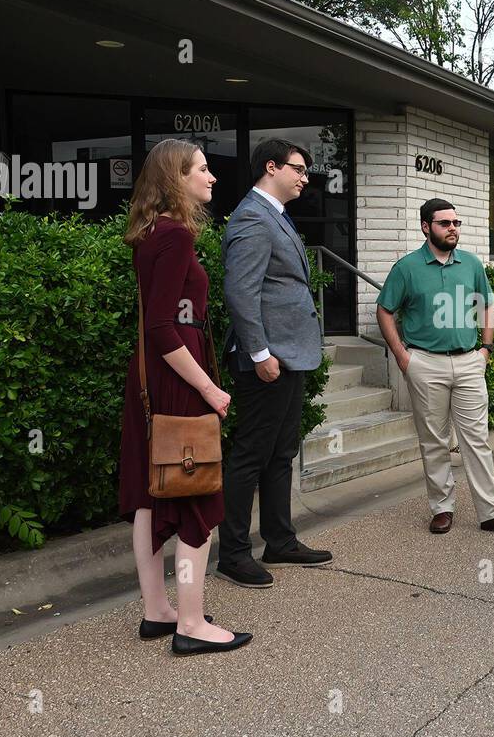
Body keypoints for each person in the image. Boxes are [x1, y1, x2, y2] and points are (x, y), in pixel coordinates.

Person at [119, 138, 251, 656]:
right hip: (176, 376)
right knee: (198, 494)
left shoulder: (152, 233)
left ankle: (158, 611)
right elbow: (161, 325)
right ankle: (191, 624)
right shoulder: (175, 235)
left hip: (153, 376)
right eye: (201, 169)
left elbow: (155, 323)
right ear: (176, 177)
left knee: (152, 494)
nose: (211, 178)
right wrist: (209, 386)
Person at [376, 198, 494, 537]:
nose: (452, 228)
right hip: (424, 363)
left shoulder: (471, 265)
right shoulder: (406, 268)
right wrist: (402, 356)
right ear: (425, 227)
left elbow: (488, 305)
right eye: (445, 223)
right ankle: (442, 508)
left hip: (468, 362)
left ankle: (492, 511)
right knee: (433, 440)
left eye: (456, 223)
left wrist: (486, 349)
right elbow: (385, 311)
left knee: (476, 439)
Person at [217, 138, 333, 588]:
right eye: (299, 169)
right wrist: (260, 353)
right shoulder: (252, 217)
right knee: (250, 455)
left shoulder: (275, 216)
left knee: (281, 452)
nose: (305, 178)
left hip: (290, 356)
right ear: (271, 167)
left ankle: (280, 540)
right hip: (268, 358)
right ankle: (233, 553)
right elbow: (240, 292)